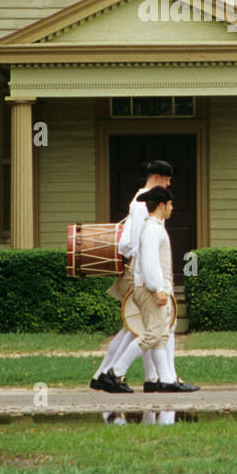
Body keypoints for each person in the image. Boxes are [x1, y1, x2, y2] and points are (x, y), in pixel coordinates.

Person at [90, 160, 172, 393]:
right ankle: (112, 373)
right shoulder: (144, 202)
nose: (169, 183)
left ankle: (154, 377)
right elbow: (134, 244)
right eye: (167, 179)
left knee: (139, 327)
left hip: (137, 271)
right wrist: (153, 281)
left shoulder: (141, 202)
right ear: (157, 176)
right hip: (139, 272)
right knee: (143, 328)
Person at [105, 186, 197, 393]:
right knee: (152, 333)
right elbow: (149, 263)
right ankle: (115, 372)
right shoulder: (152, 229)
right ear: (162, 205)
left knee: (161, 334)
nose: (172, 208)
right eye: (171, 204)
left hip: (155, 288)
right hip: (150, 290)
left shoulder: (155, 227)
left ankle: (165, 379)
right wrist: (158, 289)